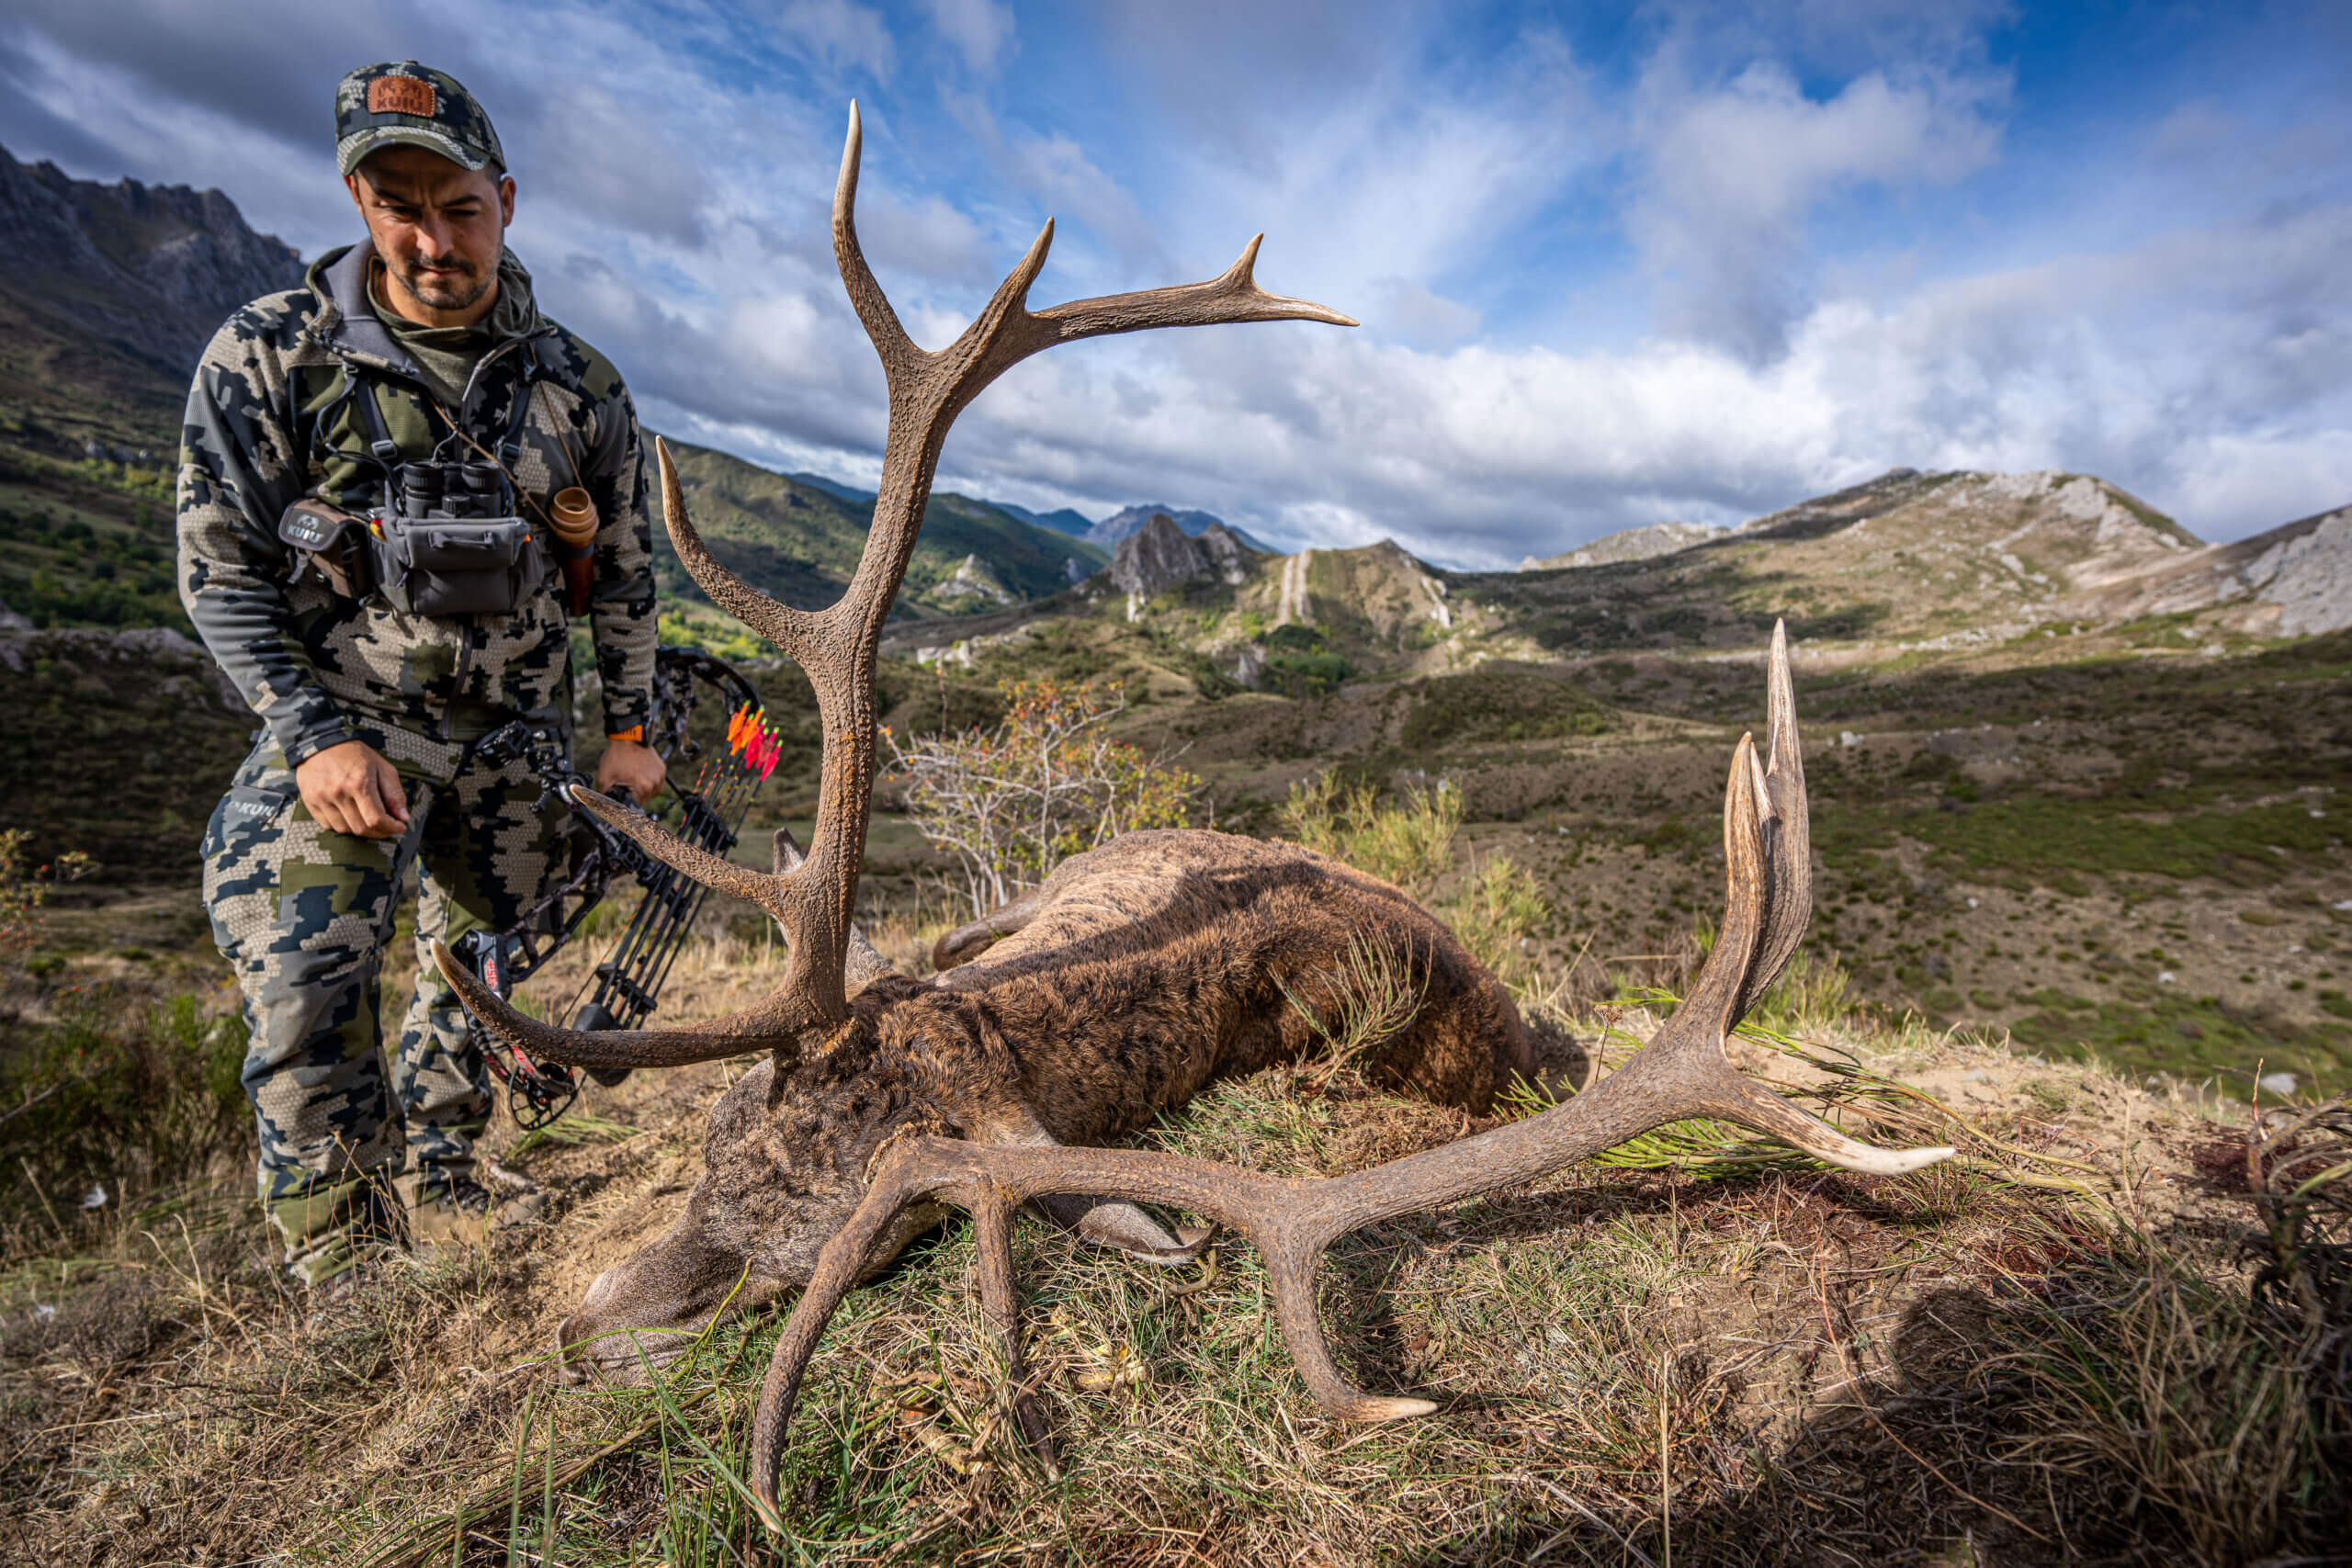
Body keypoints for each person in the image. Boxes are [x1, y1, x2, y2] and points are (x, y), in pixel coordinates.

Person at [177, 61, 664, 1287]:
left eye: (460, 208)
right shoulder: (270, 356)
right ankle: (349, 1272)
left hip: (518, 741)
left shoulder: (582, 386)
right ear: (360, 202)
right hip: (351, 731)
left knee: (489, 964)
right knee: (304, 975)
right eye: (401, 207)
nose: (434, 240)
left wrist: (631, 731)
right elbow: (221, 570)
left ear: (507, 201)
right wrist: (313, 737)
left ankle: (445, 1165)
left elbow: (625, 574)